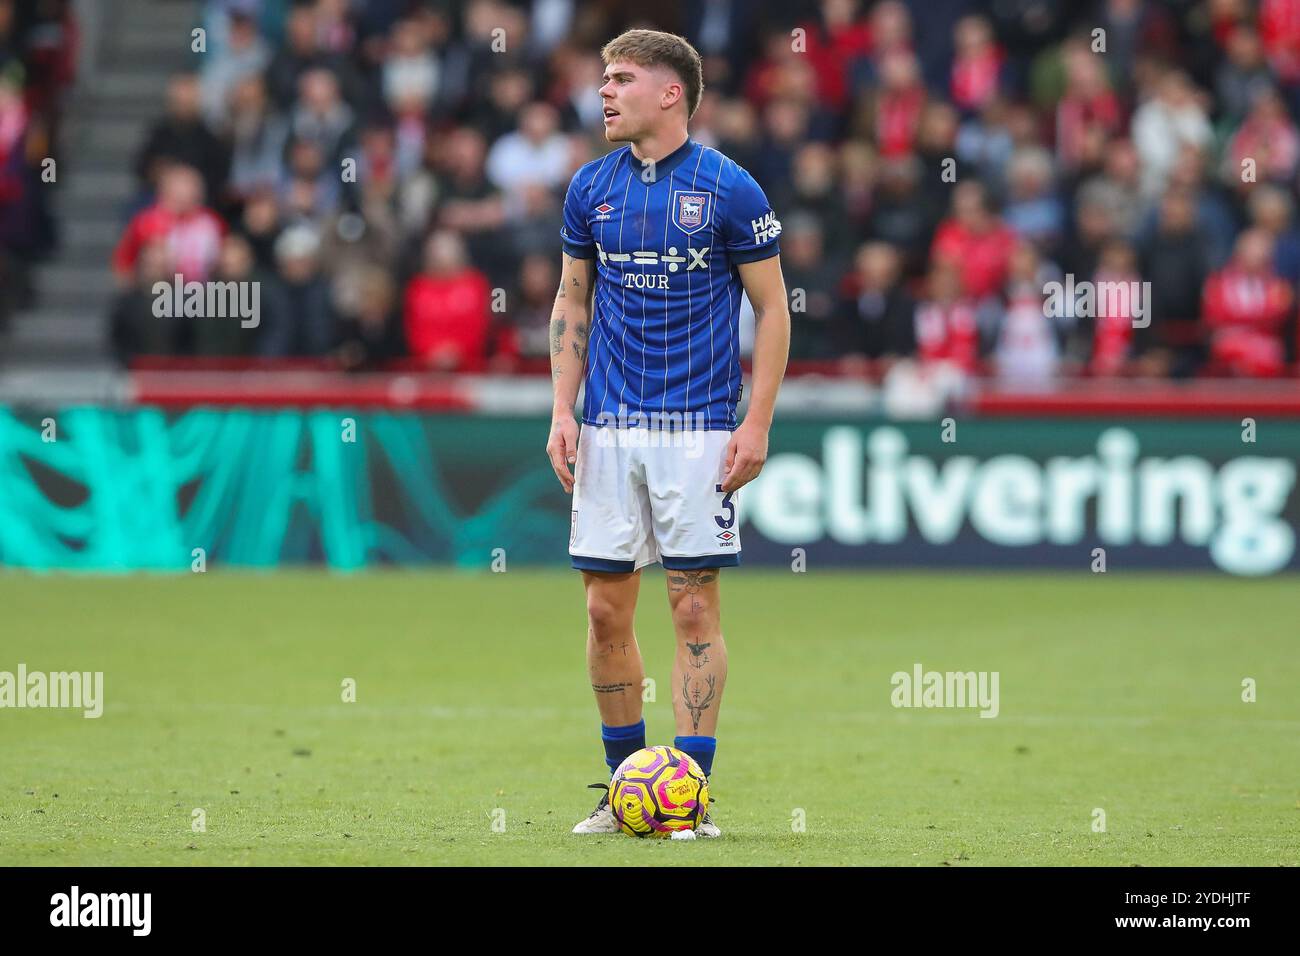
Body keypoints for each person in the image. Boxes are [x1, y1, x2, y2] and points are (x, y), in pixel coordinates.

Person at [545, 30, 790, 837]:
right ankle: (624, 793)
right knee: (606, 613)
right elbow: (572, 303)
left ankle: (692, 793)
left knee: (693, 611)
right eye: (603, 78)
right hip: (610, 430)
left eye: (621, 79)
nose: (604, 93)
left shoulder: (730, 188)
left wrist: (756, 422)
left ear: (671, 92)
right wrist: (561, 410)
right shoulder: (590, 188)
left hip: (700, 431)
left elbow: (774, 309)